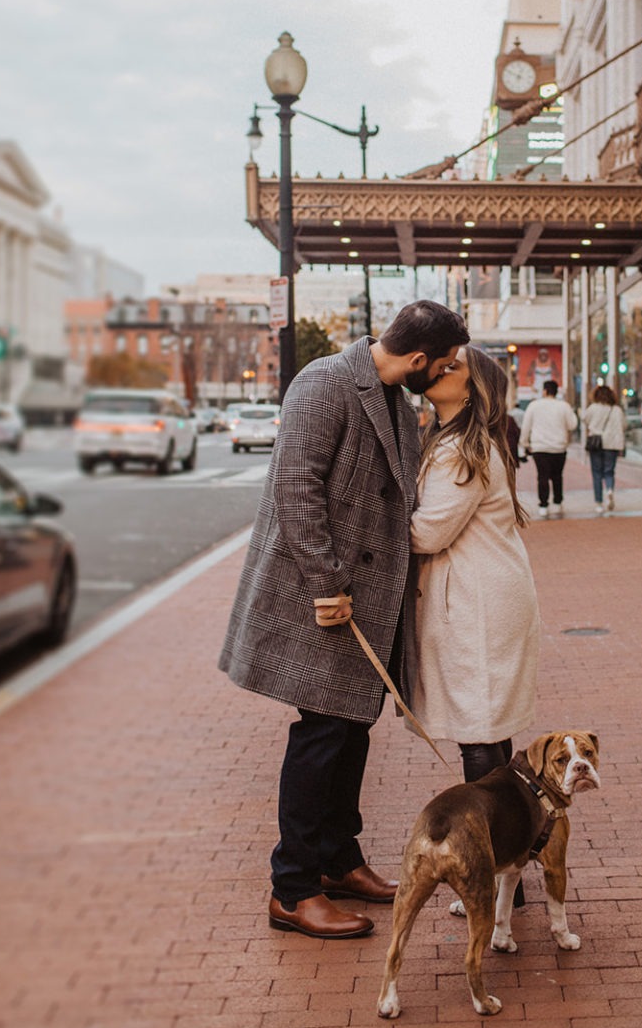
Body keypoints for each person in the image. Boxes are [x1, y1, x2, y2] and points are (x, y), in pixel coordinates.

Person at [218, 300, 469, 941]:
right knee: (322, 735)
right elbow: (295, 486)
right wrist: (328, 583)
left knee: (353, 726)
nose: (443, 371)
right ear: (417, 359)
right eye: (440, 363)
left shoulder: (394, 398)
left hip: (367, 598)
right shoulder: (324, 382)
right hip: (322, 597)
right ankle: (292, 888)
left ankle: (339, 860)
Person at [409, 347, 538, 786]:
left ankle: (490, 838)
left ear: (473, 390)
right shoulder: (461, 441)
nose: (441, 368)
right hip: (485, 593)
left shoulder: (461, 450)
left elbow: (427, 533)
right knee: (486, 723)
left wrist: (371, 531)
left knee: (478, 725)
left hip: (476, 601)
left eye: (453, 366)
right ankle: (508, 835)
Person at [519, 378, 577, 518]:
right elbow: (572, 425)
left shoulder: (534, 406)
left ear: (544, 391)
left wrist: (525, 444)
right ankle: (558, 502)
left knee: (542, 476)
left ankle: (543, 505)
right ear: (556, 392)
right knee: (557, 476)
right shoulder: (564, 406)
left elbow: (526, 427)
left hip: (540, 447)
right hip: (559, 447)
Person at [582, 383, 627, 514]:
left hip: (596, 443)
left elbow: (584, 419)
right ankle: (609, 490)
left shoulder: (593, 408)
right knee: (609, 471)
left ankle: (598, 503)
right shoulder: (617, 410)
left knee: (596, 473)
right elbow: (624, 425)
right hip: (612, 444)